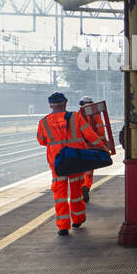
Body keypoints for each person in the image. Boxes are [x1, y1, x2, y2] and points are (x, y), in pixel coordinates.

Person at [36, 91, 101, 236]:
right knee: (76, 192)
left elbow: (41, 140)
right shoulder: (75, 117)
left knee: (60, 195)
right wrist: (101, 146)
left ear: (50, 105)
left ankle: (63, 227)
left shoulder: (43, 122)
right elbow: (89, 134)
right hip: (75, 160)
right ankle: (77, 219)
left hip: (57, 163)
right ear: (65, 103)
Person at [75, 95, 107, 205]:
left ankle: (81, 188)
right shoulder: (96, 115)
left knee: (81, 168)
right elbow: (101, 130)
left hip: (82, 146)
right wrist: (103, 144)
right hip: (94, 145)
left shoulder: (78, 115)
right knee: (90, 169)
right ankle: (86, 186)